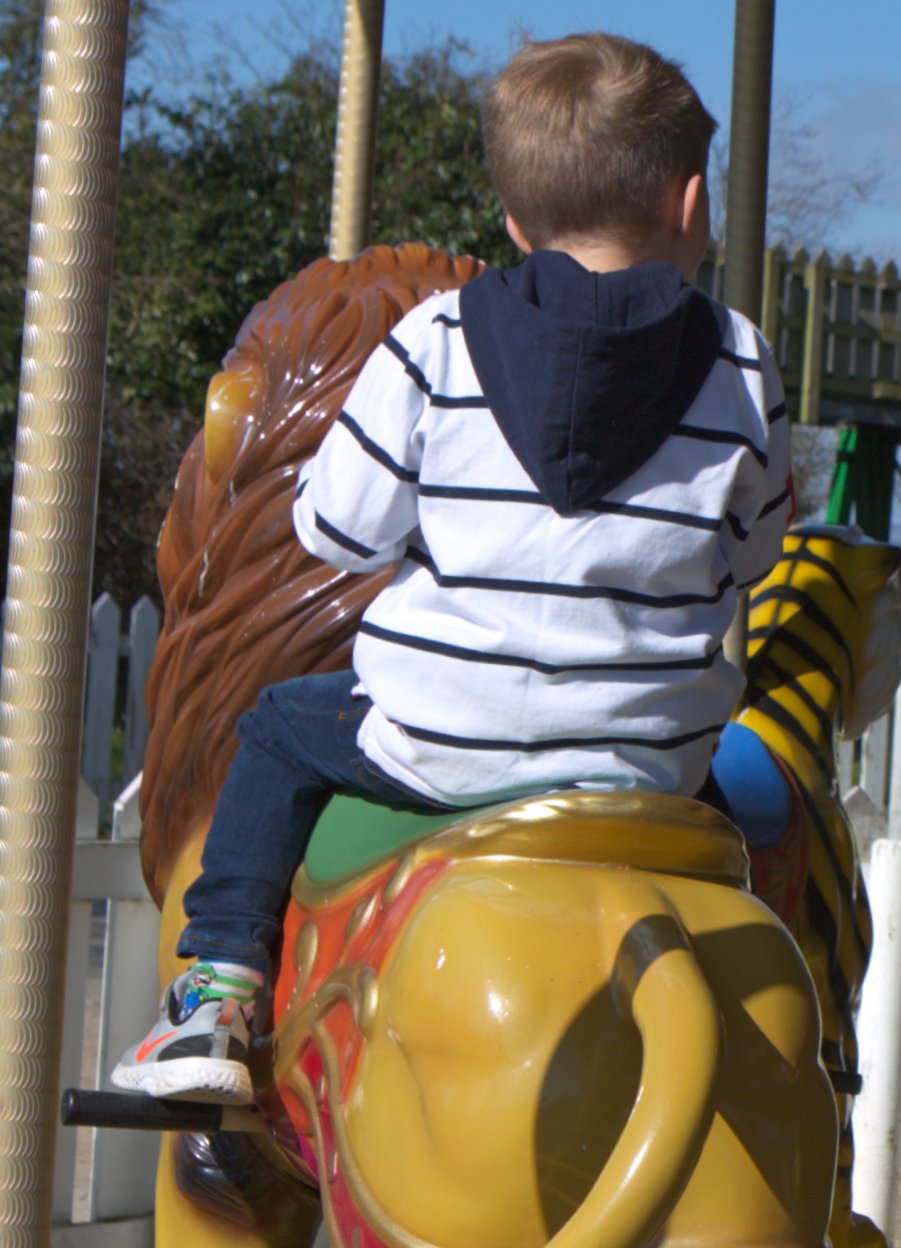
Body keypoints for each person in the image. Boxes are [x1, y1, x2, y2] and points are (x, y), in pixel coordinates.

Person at [113, 33, 792, 1104]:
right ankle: (793, 1033)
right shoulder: (745, 364)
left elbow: (336, 532)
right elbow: (752, 551)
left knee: (280, 730)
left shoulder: (434, 343)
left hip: (439, 747)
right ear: (693, 201)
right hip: (645, 765)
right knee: (751, 820)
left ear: (515, 225)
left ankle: (220, 993)